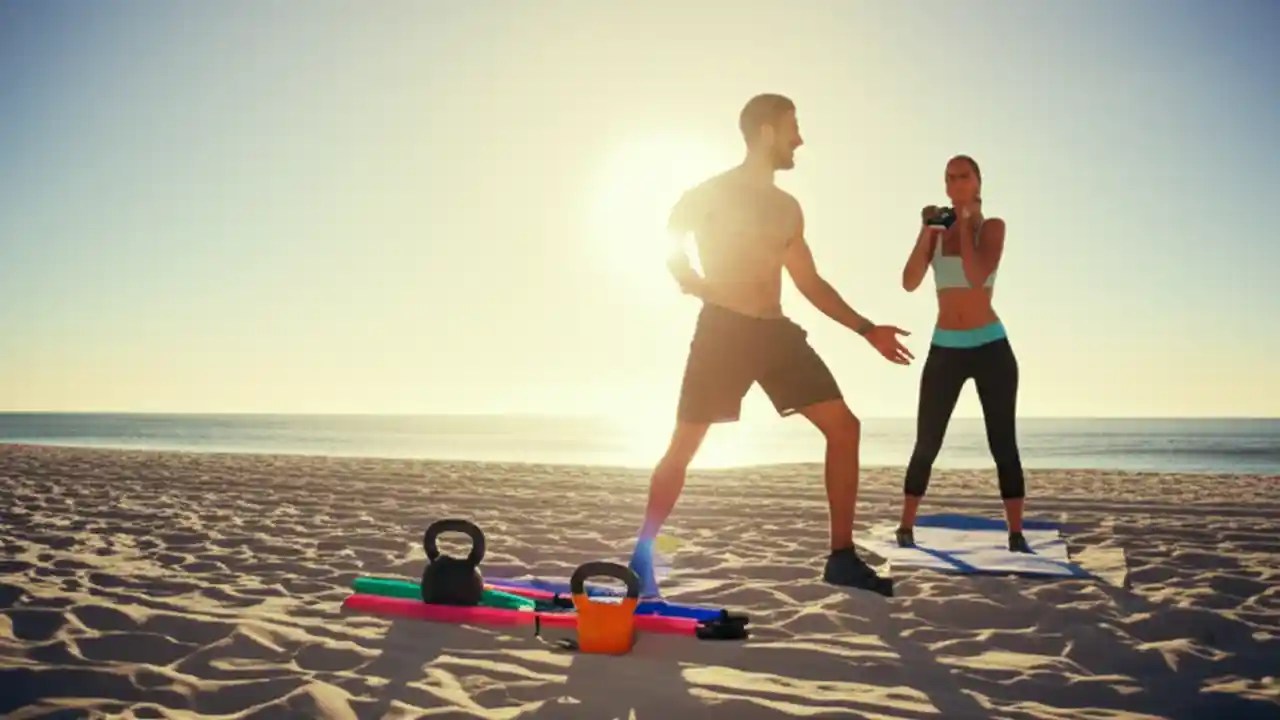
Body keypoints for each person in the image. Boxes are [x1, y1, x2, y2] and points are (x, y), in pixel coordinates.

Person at [626, 93, 913, 597]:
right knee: (683, 448)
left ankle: (841, 558)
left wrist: (867, 330)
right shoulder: (711, 192)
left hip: (776, 332)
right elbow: (670, 232)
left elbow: (809, 282)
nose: (799, 139)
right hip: (723, 332)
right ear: (765, 132)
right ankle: (642, 559)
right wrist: (691, 279)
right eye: (792, 128)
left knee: (844, 428)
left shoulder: (787, 208)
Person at [896, 155, 1031, 553]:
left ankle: (1016, 533)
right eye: (950, 177)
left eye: (964, 176)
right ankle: (905, 526)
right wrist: (927, 231)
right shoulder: (938, 230)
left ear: (977, 182)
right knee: (927, 442)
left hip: (991, 347)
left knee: (1002, 443)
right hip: (946, 348)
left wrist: (969, 222)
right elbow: (908, 282)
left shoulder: (992, 228)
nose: (956, 182)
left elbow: (975, 277)